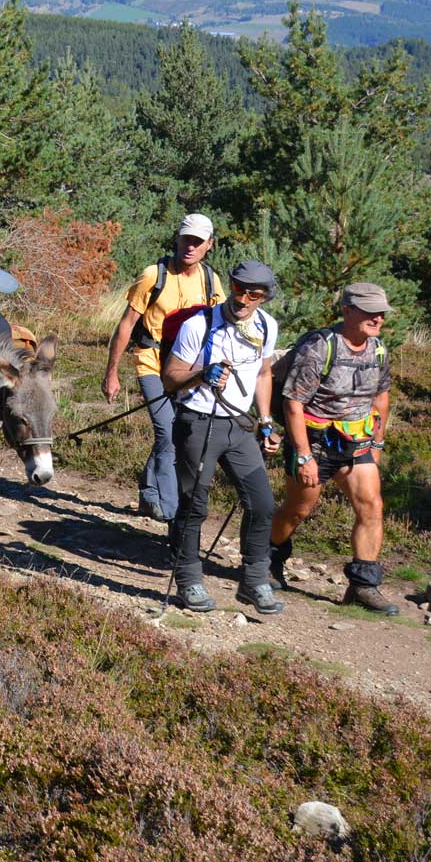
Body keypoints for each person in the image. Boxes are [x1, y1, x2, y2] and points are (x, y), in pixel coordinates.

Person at [160, 259, 284, 616]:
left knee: (261, 504)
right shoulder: (198, 325)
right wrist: (202, 375)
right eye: (239, 289)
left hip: (239, 427)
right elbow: (170, 376)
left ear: (265, 297)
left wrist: (265, 421)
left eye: (254, 294)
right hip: (198, 422)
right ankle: (188, 579)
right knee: (194, 503)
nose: (244, 299)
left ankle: (254, 580)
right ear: (230, 285)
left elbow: (263, 374)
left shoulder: (266, 326)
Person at [269, 283, 400, 615]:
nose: (378, 318)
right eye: (371, 312)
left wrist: (378, 442)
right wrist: (303, 455)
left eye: (381, 312)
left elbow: (381, 397)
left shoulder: (379, 350)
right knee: (298, 509)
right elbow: (293, 404)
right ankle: (265, 559)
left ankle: (363, 585)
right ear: (347, 310)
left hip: (356, 439)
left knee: (372, 506)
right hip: (314, 440)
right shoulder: (319, 348)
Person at [103, 213, 224, 522]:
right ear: (177, 238)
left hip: (186, 369)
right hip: (151, 362)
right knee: (167, 432)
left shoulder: (211, 280)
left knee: (174, 433)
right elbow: (126, 325)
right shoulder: (153, 276)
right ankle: (172, 512)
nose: (191, 246)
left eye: (198, 242)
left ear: (209, 245)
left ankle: (149, 492)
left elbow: (222, 325)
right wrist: (111, 373)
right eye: (187, 239)